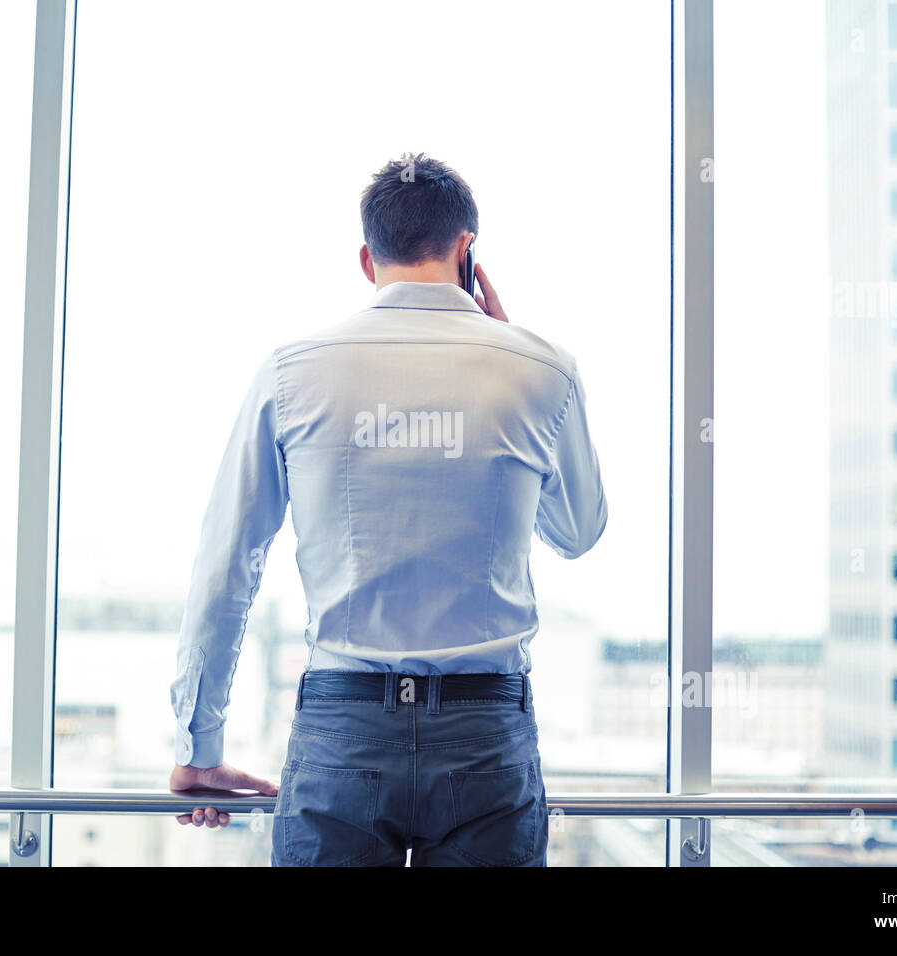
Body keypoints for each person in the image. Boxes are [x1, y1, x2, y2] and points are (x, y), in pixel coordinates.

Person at [168, 153, 607, 866]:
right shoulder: (542, 368)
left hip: (344, 727)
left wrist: (198, 748)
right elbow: (578, 531)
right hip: (485, 732)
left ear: (368, 258)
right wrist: (516, 350)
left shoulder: (292, 370)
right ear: (467, 251)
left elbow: (226, 568)